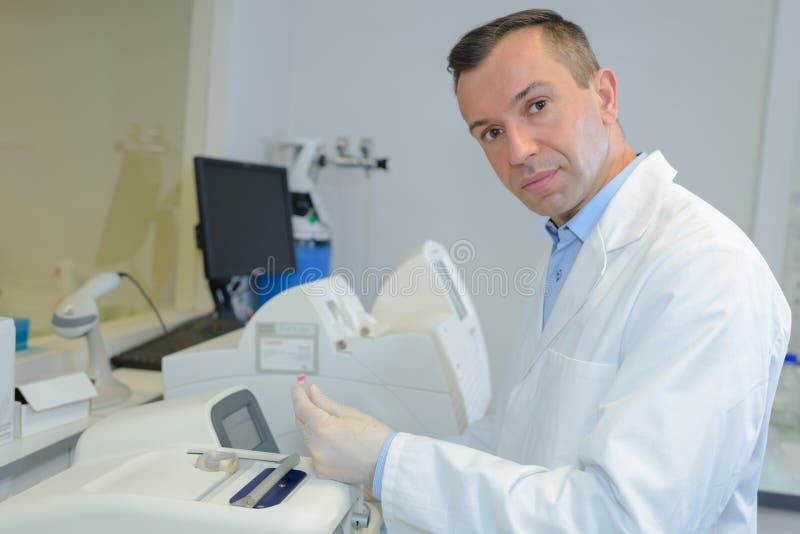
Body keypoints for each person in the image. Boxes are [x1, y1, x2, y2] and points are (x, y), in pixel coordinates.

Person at [292, 9, 790, 532]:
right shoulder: (572, 246)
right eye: (491, 132)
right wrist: (378, 459)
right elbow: (516, 441)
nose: (518, 151)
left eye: (537, 105)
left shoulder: (706, 270)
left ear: (604, 96)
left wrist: (388, 462)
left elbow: (626, 520)